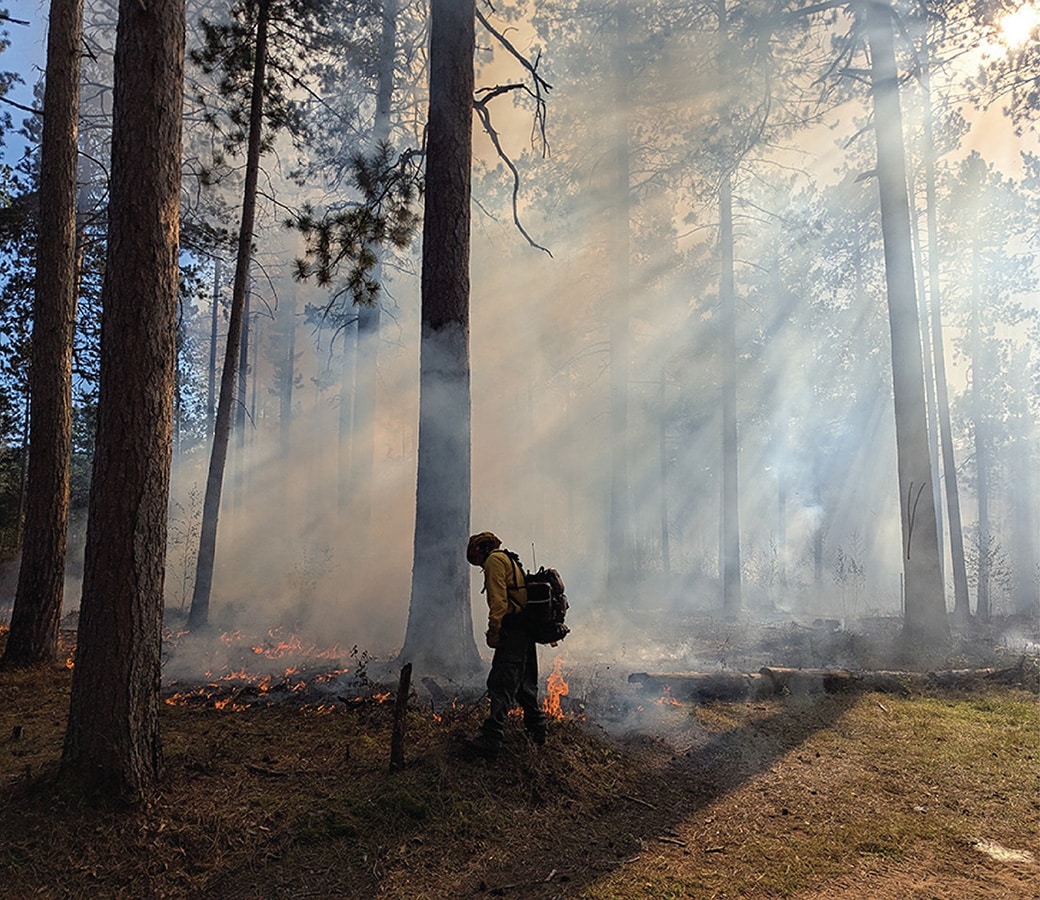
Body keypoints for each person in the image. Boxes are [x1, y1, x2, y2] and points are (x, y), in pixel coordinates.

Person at [464, 531, 546, 757]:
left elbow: (499, 602)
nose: (478, 563)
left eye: (476, 557)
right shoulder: (507, 558)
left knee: (502, 681)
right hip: (525, 628)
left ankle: (491, 737)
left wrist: (494, 630)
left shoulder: (494, 561)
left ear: (481, 549)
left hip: (513, 630)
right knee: (525, 683)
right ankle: (537, 730)